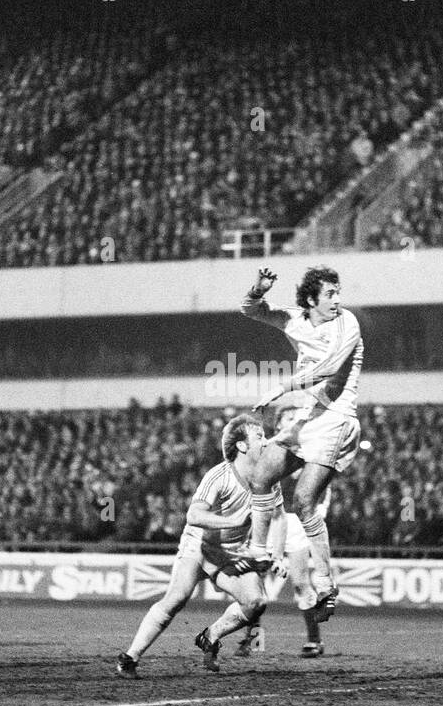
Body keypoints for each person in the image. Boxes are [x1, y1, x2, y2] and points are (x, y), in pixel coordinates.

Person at [240, 265, 365, 623]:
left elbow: (328, 367)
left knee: (304, 501)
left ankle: (326, 586)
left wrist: (281, 388)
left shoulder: (347, 324)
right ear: (311, 299)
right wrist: (258, 289)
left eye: (339, 293)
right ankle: (260, 552)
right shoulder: (296, 320)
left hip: (336, 419)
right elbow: (252, 311)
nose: (337, 300)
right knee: (262, 474)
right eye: (330, 294)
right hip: (309, 416)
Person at [116, 415, 281, 678]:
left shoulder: (270, 478)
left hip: (230, 550)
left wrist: (277, 553)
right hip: (199, 544)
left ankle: (210, 636)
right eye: (259, 436)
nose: (266, 441)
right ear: (241, 446)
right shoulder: (219, 475)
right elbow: (193, 516)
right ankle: (130, 658)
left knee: (256, 602)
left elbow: (279, 515)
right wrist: (233, 519)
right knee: (178, 597)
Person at [237, 398, 331, 659]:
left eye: (295, 417)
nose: (292, 421)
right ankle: (253, 640)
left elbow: (324, 484)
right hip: (270, 519)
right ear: (278, 424)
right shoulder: (268, 450)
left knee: (300, 582)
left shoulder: (310, 450)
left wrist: (319, 510)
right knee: (255, 581)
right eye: (286, 418)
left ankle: (314, 640)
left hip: (294, 523)